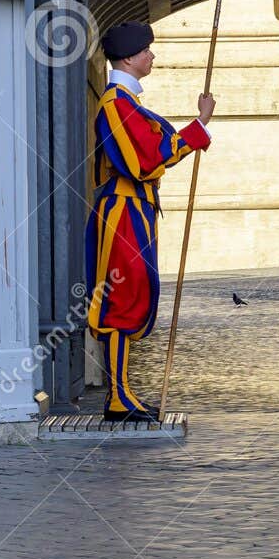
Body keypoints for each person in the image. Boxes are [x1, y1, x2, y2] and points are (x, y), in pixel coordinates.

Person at [84, 22, 215, 423]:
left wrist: (197, 129)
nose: (152, 57)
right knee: (122, 299)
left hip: (137, 210)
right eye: (146, 51)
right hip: (123, 211)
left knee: (135, 292)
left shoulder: (130, 104)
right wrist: (201, 124)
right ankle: (118, 397)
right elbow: (146, 161)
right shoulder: (116, 105)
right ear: (128, 57)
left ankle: (122, 392)